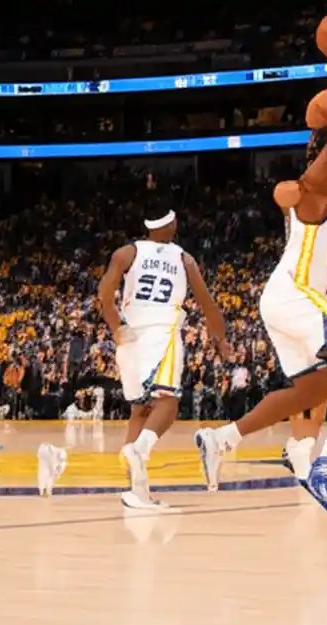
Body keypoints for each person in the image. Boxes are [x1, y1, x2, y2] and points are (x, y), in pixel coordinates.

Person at [195, 39, 327, 525]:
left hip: (282, 298)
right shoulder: (314, 187)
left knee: (315, 388)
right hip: (293, 294)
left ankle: (220, 438)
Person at [99, 194, 231, 510]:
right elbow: (207, 303)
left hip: (129, 336)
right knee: (168, 403)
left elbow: (104, 295)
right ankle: (139, 451)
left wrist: (117, 327)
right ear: (170, 224)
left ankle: (137, 490)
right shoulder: (184, 258)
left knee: (140, 410)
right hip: (162, 333)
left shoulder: (126, 252)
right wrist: (220, 339)